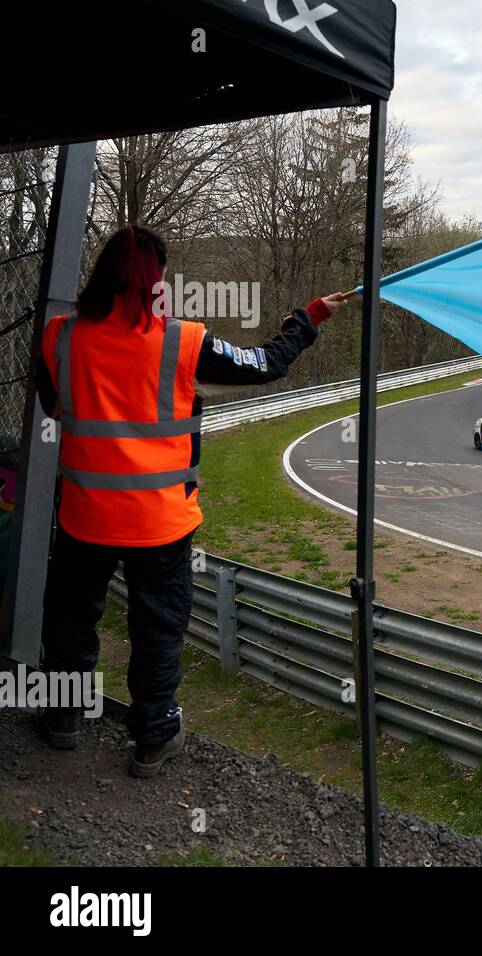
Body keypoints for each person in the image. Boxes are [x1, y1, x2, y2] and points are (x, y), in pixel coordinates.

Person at [32, 223, 351, 776]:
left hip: (84, 517)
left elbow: (52, 406)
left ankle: (62, 717)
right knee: (156, 629)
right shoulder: (184, 342)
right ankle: (153, 738)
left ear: (100, 274)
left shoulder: (59, 336)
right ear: (155, 282)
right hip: (160, 524)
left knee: (69, 620)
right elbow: (265, 364)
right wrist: (308, 318)